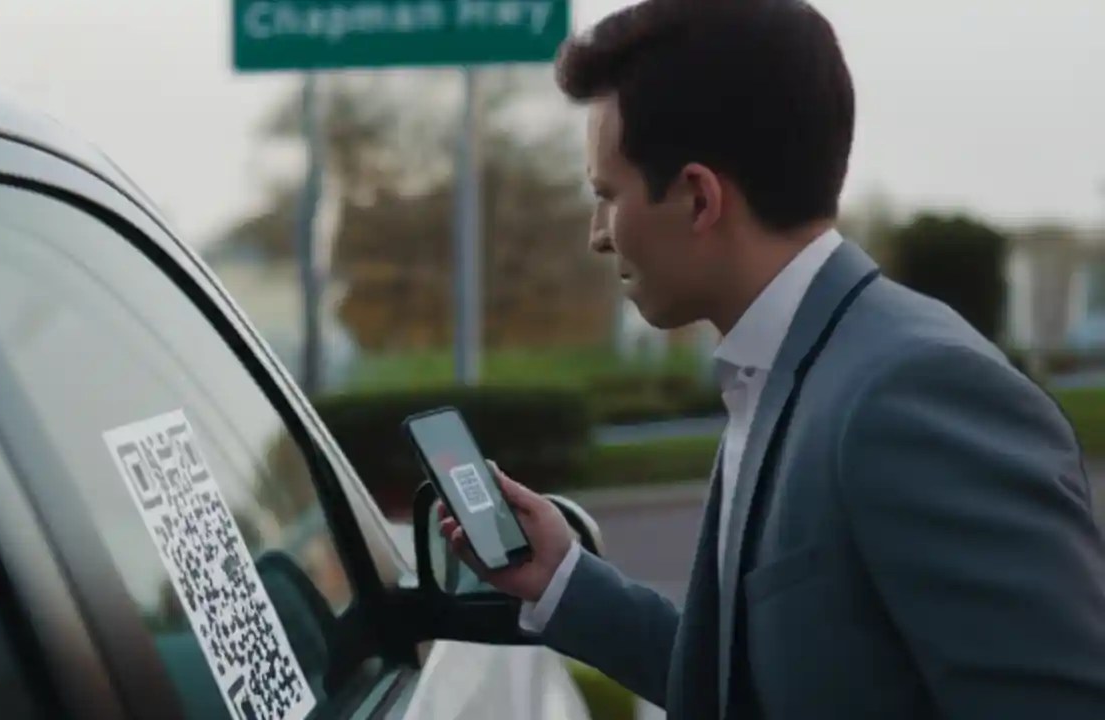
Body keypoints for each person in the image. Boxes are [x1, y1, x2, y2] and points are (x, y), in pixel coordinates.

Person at [439, 0, 1105, 717]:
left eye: (606, 195)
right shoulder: (788, 368)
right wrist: (562, 578)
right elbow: (755, 688)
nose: (599, 235)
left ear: (698, 198)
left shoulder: (912, 392)